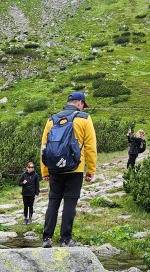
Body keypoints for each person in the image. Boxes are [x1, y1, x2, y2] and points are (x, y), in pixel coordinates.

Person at [39, 91, 97, 248]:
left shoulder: (52, 119)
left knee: (53, 201)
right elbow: (91, 147)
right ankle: (65, 239)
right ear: (79, 103)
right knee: (70, 203)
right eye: (83, 105)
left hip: (55, 168)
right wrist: (91, 169)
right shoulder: (84, 118)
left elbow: (44, 147)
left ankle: (47, 238)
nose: (83, 107)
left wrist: (45, 171)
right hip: (75, 168)